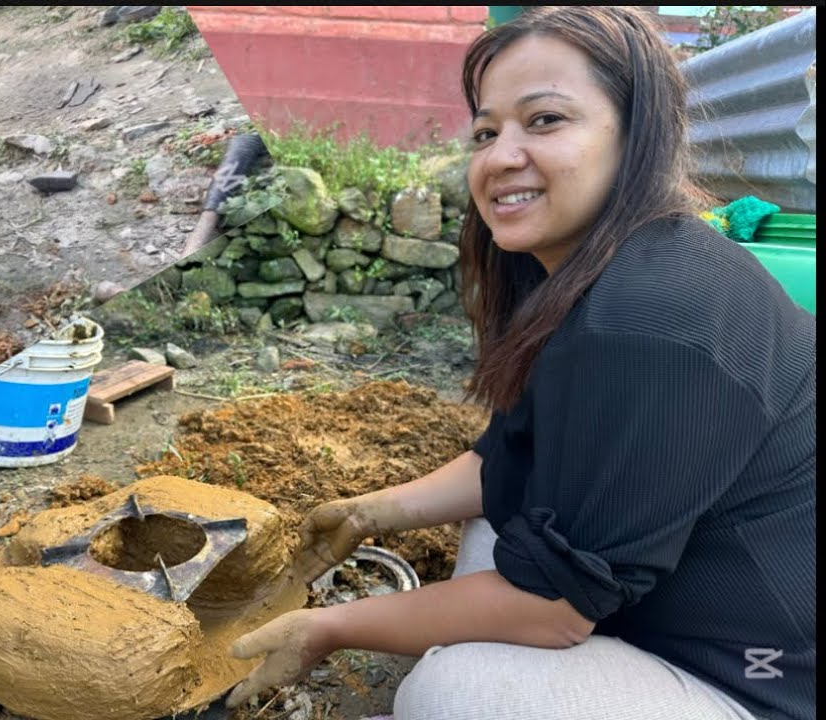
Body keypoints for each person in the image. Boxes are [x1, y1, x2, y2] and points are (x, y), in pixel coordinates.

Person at [224, 7, 815, 720]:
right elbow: (510, 460)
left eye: (545, 121)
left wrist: (329, 628)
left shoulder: (652, 317)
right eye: (486, 130)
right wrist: (369, 513)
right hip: (673, 593)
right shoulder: (578, 269)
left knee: (458, 693)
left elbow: (555, 608)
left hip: (762, 671)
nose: (501, 156)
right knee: (502, 524)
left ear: (637, 138)